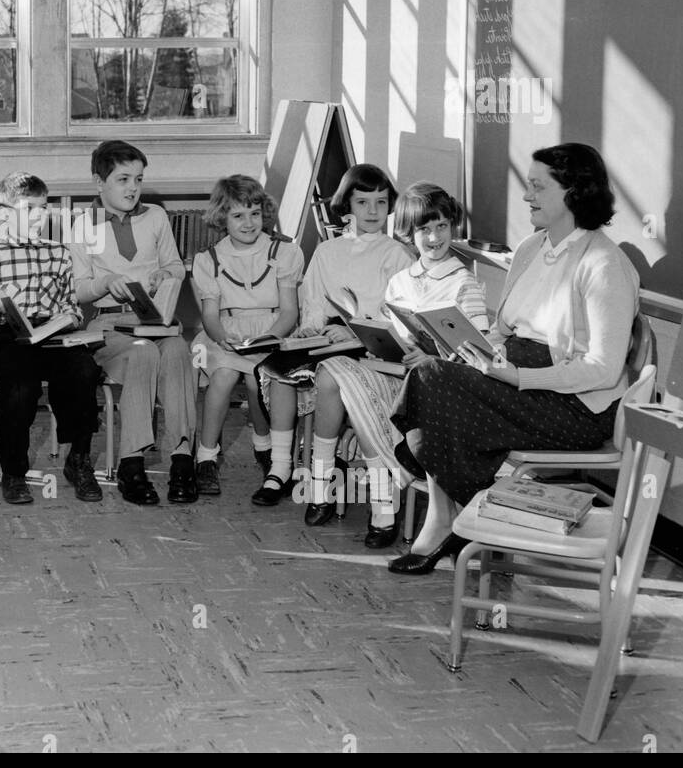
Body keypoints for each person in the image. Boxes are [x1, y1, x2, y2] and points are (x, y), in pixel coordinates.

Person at [387, 144, 639, 575]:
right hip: (513, 377)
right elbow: (502, 330)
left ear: (574, 192)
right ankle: (462, 517)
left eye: (538, 186)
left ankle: (459, 515)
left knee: (430, 382)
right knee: (434, 386)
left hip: (574, 404)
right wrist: (470, 347)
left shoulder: (603, 264)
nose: (527, 196)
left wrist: (517, 375)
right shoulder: (530, 248)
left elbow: (604, 370)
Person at [313, 183, 488, 548]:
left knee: (357, 397)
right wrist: (379, 344)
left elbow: (478, 354)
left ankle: (380, 506)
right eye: (424, 229)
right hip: (395, 372)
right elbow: (389, 330)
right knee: (331, 371)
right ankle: (329, 485)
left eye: (441, 227)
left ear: (453, 227)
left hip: (436, 387)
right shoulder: (401, 281)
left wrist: (434, 356)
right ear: (409, 233)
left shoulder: (463, 282)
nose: (434, 237)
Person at [259, 164, 413, 524]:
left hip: (374, 348)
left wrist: (355, 333)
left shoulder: (397, 255)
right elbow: (315, 305)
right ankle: (286, 469)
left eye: (380, 202)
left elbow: (399, 316)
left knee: (330, 377)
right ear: (347, 205)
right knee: (278, 367)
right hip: (331, 342)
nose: (373, 212)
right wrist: (306, 331)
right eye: (363, 202)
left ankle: (322, 485)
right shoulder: (329, 252)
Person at [70, 140, 197, 505]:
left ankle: (181, 460)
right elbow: (77, 290)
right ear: (99, 182)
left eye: (138, 179)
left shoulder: (155, 216)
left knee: (176, 349)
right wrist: (105, 283)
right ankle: (131, 464)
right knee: (144, 354)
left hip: (154, 320)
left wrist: (163, 275)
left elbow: (176, 266)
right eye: (123, 179)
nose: (132, 188)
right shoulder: (83, 225)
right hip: (108, 326)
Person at [0, 173, 101, 505]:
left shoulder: (58, 253)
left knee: (84, 370)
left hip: (53, 334)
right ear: (4, 212)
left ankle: (78, 460)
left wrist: (70, 316)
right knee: (19, 388)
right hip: (11, 337)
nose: (40, 216)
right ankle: (14, 472)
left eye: (44, 208)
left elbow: (71, 304)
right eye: (30, 209)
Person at [188, 176, 303, 501]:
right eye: (238, 215)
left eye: (254, 213)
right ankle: (206, 456)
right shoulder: (208, 259)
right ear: (222, 218)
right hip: (224, 332)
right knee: (223, 377)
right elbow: (210, 315)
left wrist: (270, 338)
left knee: (258, 379)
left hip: (271, 332)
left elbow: (289, 312)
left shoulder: (283, 252)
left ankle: (264, 446)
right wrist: (220, 336)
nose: (248, 222)